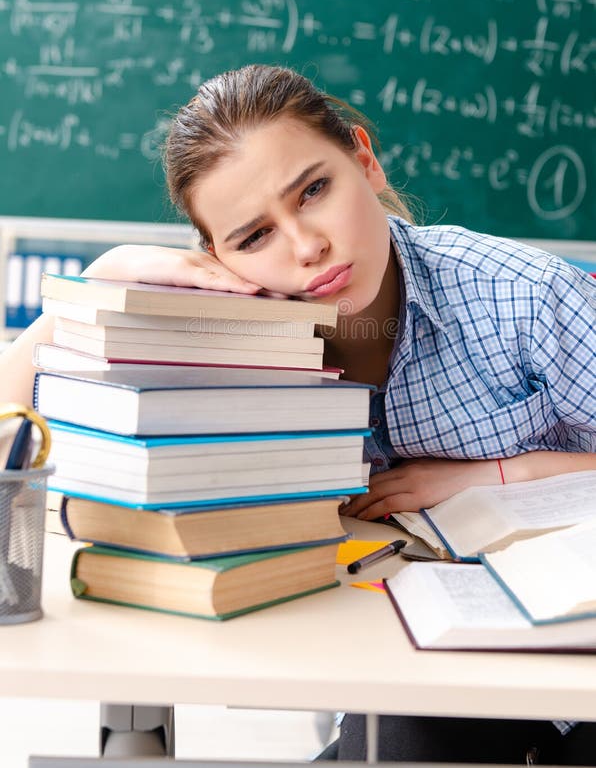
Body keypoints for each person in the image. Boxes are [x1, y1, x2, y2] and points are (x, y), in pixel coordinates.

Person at [1, 64, 595, 762]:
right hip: (389, 664)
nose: (306, 246)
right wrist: (92, 289)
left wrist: (499, 474)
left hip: (561, 670)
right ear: (216, 259)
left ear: (364, 160)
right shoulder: (222, 328)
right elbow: (10, 434)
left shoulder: (524, 297)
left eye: (314, 190)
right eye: (253, 237)